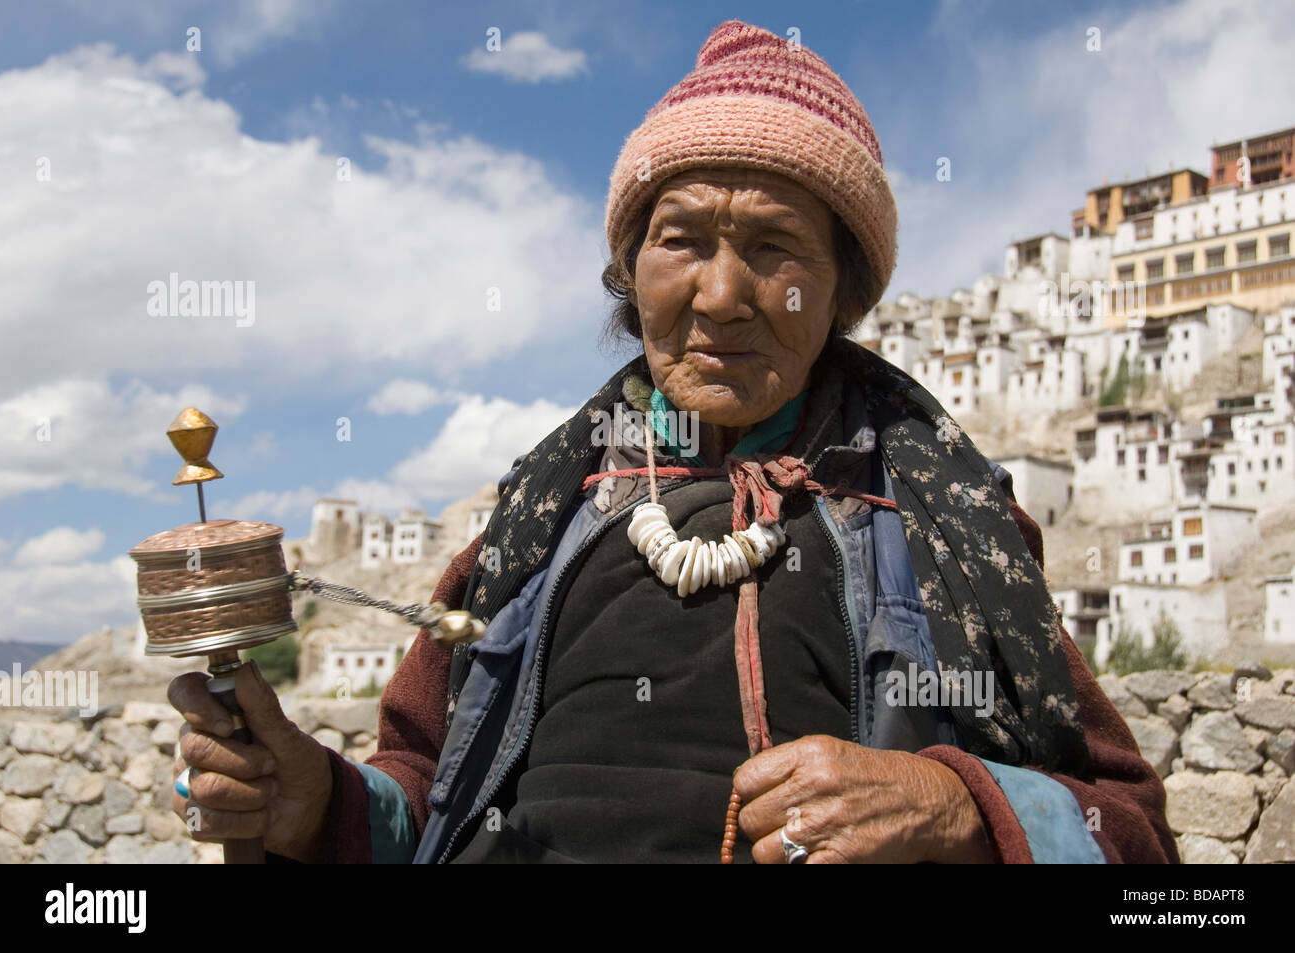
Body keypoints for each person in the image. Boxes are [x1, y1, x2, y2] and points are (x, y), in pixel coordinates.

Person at [168, 19, 1179, 864]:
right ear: (631, 268)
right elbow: (423, 793)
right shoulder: (532, 526)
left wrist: (953, 802)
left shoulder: (945, 528)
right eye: (682, 239)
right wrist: (314, 805)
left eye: (775, 246)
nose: (721, 294)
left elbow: (1131, 833)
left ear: (839, 294)